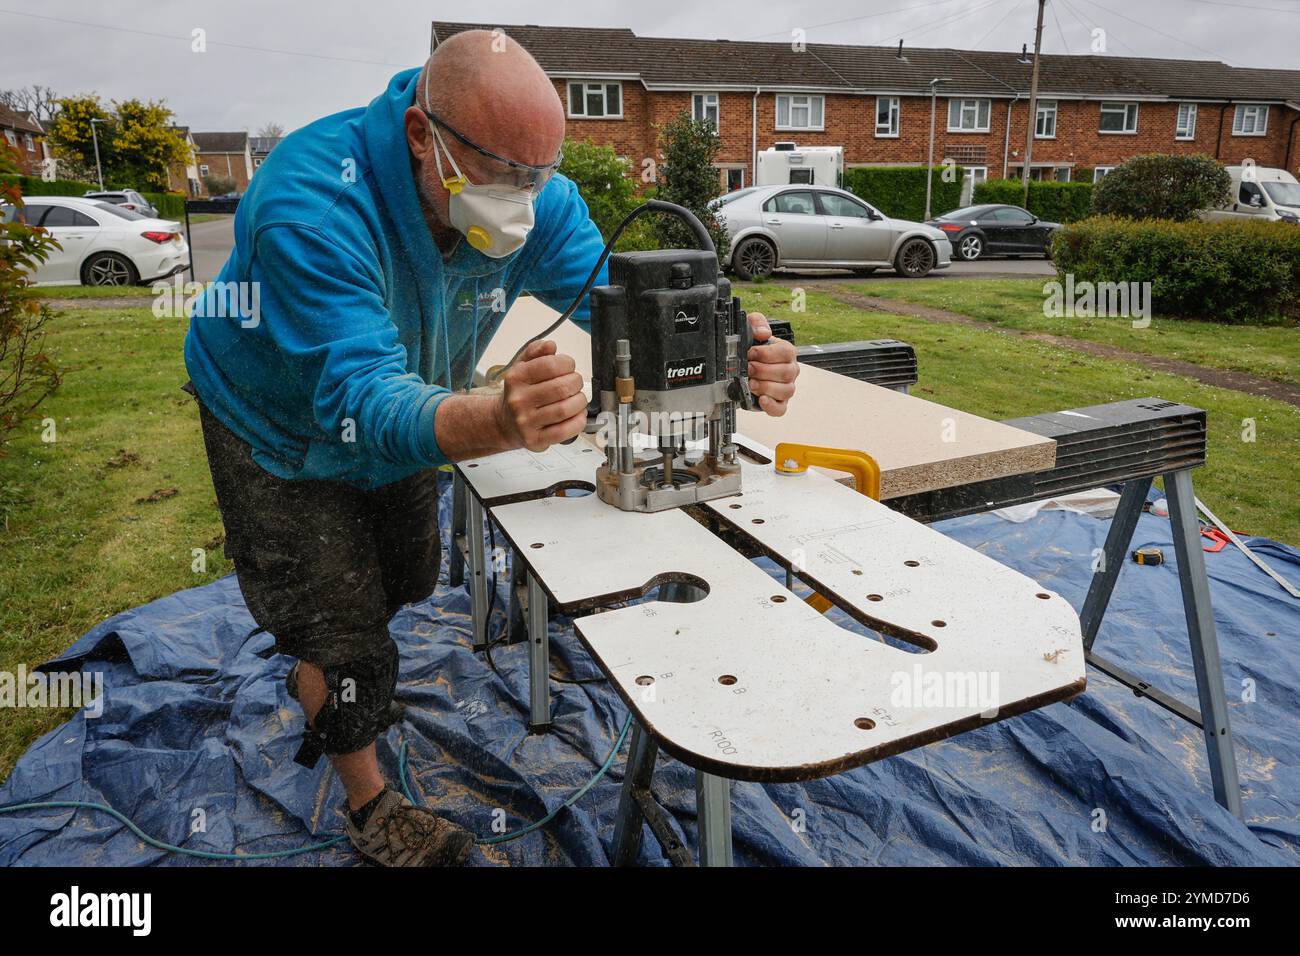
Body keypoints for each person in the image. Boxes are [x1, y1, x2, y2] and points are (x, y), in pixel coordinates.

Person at [183, 29, 799, 867]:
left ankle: (350, 674)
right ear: (420, 138)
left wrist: (734, 350)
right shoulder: (313, 208)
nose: (524, 198)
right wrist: (501, 421)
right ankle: (368, 799)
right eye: (505, 176)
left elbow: (621, 307)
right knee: (340, 619)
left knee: (403, 573)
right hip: (274, 421)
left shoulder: (524, 194)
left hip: (406, 404)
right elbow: (358, 399)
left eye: (539, 176)